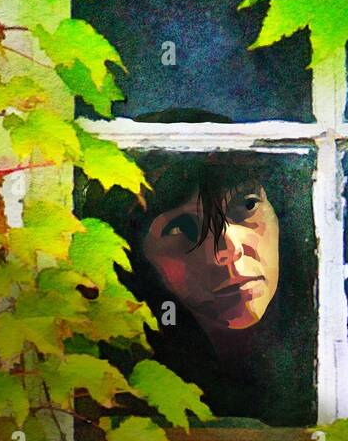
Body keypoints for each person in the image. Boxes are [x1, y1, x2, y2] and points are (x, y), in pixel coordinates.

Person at [82, 110, 317, 424]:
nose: (227, 250)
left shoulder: (332, 343)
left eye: (246, 206)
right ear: (137, 257)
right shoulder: (129, 378)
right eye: (181, 228)